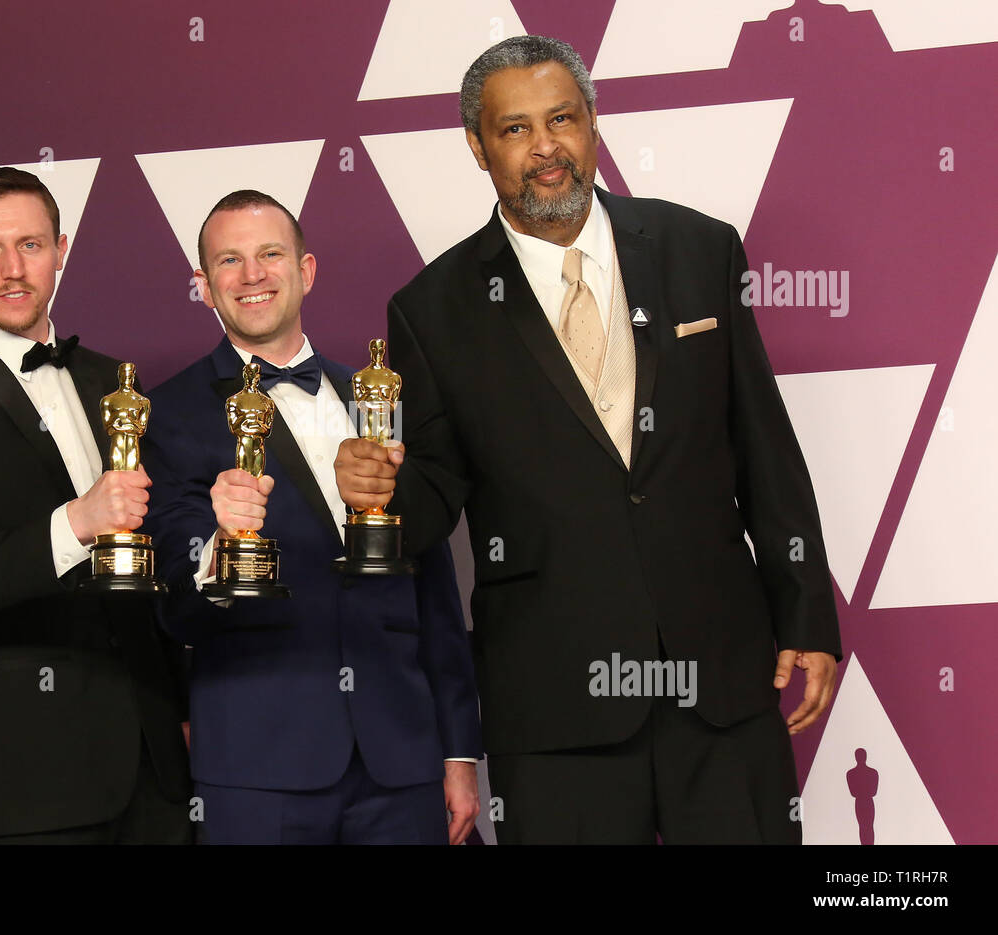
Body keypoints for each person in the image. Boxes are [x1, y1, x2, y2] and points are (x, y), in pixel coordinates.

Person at [334, 36, 843, 844]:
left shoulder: (699, 249)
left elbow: (763, 446)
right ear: (477, 146)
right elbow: (433, 500)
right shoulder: (431, 310)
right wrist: (377, 491)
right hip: (555, 705)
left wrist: (808, 612)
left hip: (719, 680)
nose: (546, 148)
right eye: (515, 129)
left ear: (594, 124)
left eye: (562, 118)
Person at [141, 190, 482, 845]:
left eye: (271, 254)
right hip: (258, 770)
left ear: (307, 270)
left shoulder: (377, 398)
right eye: (229, 261)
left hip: (402, 762)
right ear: (204, 285)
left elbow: (434, 584)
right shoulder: (171, 414)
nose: (252, 275)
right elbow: (174, 606)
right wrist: (221, 542)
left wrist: (458, 749)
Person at [0, 167, 191, 843]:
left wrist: (182, 700)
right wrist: (76, 522)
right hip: (34, 782)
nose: (12, 268)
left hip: (157, 768)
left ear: (62, 247)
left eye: (30, 244)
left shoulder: (116, 383)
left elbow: (154, 566)